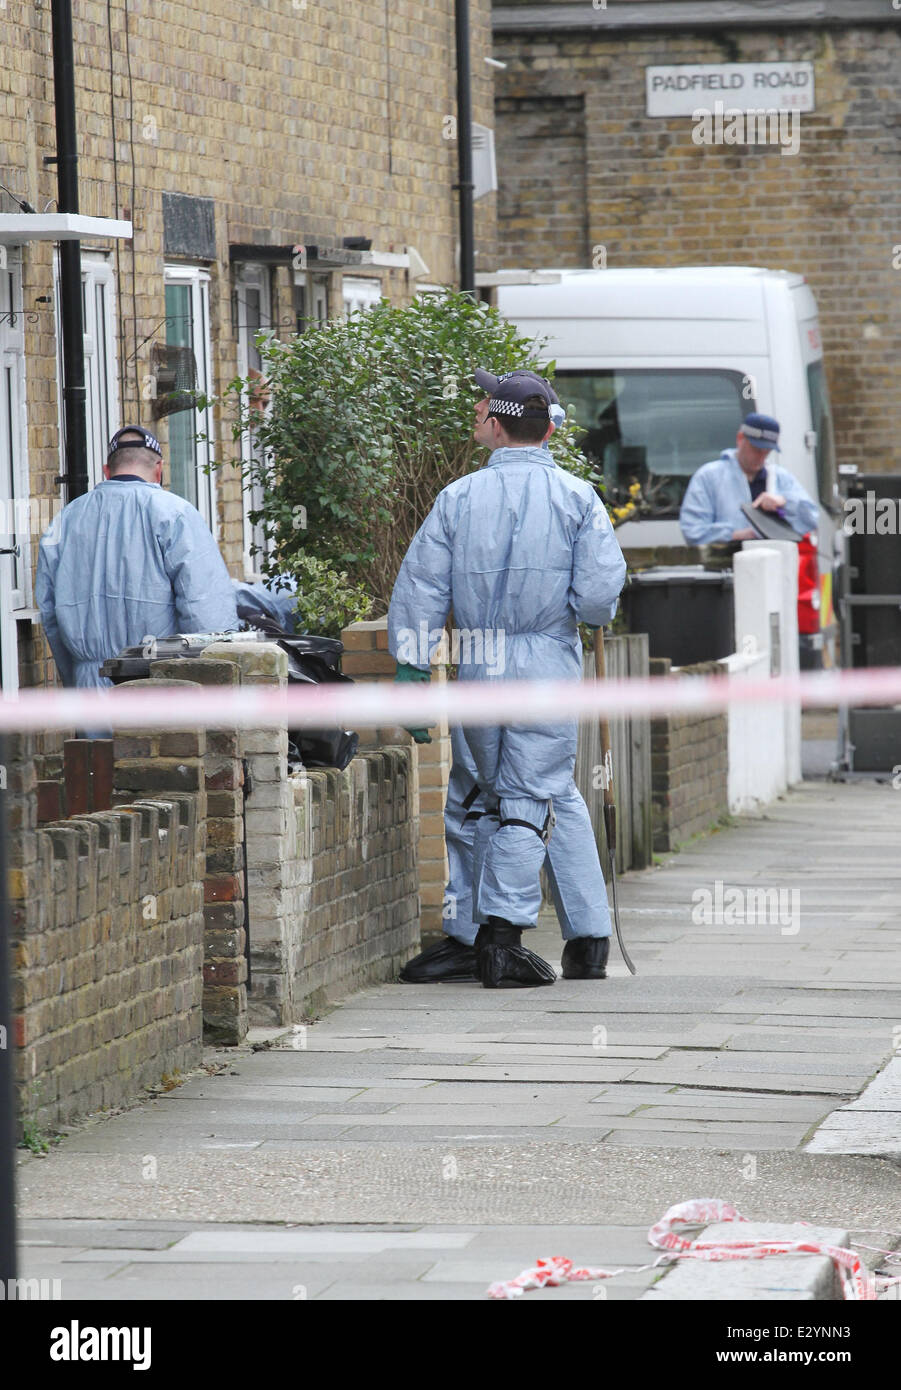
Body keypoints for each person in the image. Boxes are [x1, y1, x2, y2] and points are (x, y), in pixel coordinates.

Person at [388, 369, 627, 989]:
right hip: (546, 659)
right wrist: (581, 610)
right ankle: (521, 940)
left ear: (497, 423)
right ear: (548, 428)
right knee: (533, 796)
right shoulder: (578, 498)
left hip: (478, 659)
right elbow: (600, 598)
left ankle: (493, 935)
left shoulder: (458, 498)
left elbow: (420, 587)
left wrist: (412, 670)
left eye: (479, 410)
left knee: (481, 796)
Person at [36, 425, 239, 691]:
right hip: (157, 681)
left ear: (107, 471)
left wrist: (76, 677)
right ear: (159, 469)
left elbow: (50, 613)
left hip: (90, 684)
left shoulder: (65, 520)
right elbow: (205, 611)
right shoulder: (174, 514)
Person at [679, 413, 818, 546]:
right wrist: (737, 535)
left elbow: (812, 519)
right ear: (740, 439)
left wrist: (784, 502)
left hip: (772, 566)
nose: (762, 457)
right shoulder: (708, 477)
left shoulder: (781, 478)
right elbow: (692, 531)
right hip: (725, 566)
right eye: (757, 450)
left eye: (767, 451)